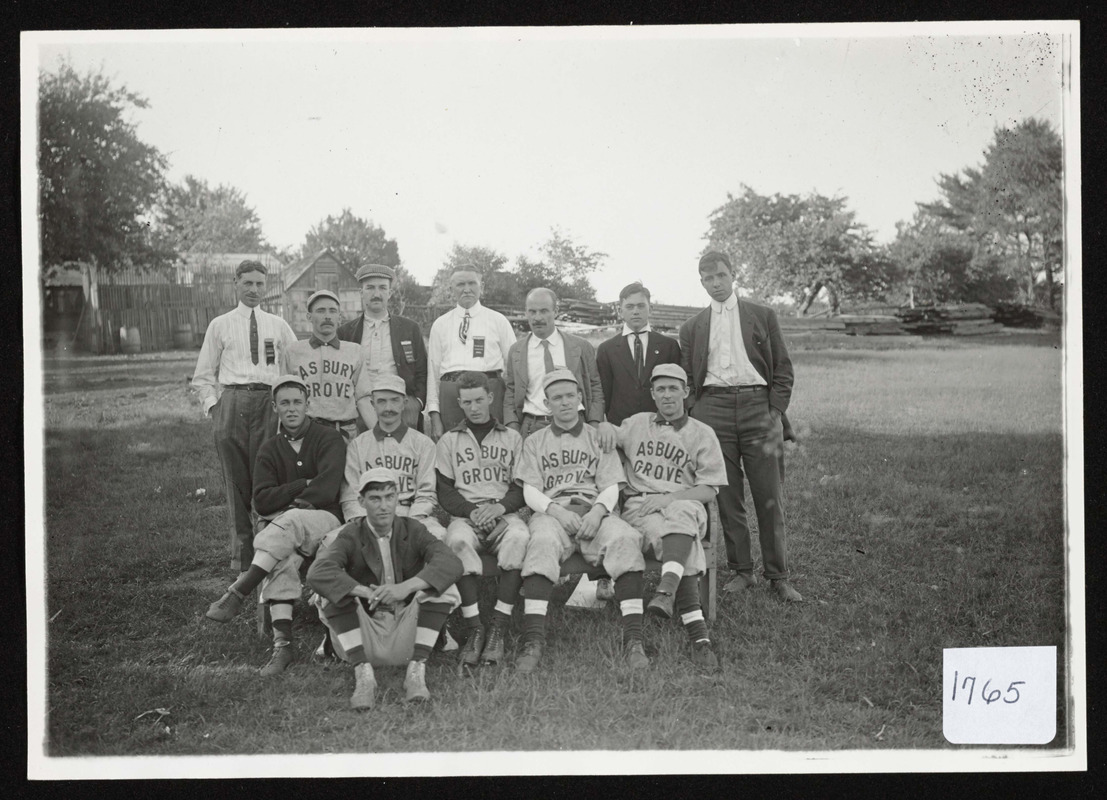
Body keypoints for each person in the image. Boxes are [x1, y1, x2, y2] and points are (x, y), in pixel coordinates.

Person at [679, 250, 802, 602]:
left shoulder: (762, 315)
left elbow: (783, 368)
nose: (715, 283)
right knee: (728, 495)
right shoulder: (692, 327)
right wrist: (695, 408)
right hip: (712, 411)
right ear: (701, 282)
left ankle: (778, 576)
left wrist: (774, 411)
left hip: (758, 408)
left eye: (720, 275)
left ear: (733, 274)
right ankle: (742, 571)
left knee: (769, 496)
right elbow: (688, 375)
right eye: (707, 278)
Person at [205, 376, 346, 676]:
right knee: (281, 557)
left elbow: (327, 489)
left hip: (326, 522)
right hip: (285, 532)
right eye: (285, 403)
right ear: (275, 408)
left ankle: (239, 590)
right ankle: (283, 646)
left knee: (287, 522)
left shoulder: (328, 439)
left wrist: (289, 502)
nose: (292, 409)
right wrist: (301, 484)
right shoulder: (270, 449)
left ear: (308, 404)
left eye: (297, 402)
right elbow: (262, 501)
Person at [514, 369, 649, 674]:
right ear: (547, 404)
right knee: (543, 543)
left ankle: (634, 640)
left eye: (569, 396)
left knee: (625, 539)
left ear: (580, 399)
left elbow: (612, 484)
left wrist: (599, 512)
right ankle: (533, 640)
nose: (564, 403)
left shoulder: (595, 436)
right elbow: (529, 489)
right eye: (556, 398)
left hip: (594, 510)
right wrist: (557, 511)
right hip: (553, 512)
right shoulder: (535, 441)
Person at [307, 468, 463, 709]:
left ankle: (416, 671)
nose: (384, 506)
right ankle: (363, 676)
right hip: (363, 636)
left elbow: (451, 563)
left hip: (408, 635)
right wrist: (365, 592)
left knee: (444, 586)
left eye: (389, 497)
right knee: (329, 592)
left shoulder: (413, 529)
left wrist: (405, 588)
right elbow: (318, 572)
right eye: (375, 499)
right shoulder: (351, 534)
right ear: (361, 502)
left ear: (397, 498)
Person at [608, 364, 727, 670]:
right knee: (686, 543)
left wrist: (670, 498)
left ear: (686, 392)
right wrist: (604, 428)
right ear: (652, 394)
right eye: (660, 389)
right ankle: (699, 638)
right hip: (642, 507)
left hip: (683, 502)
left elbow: (709, 489)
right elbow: (608, 439)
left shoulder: (702, 433)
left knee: (683, 513)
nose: (667, 395)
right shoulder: (636, 423)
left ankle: (666, 590)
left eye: (674, 388)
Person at [192, 259, 297, 571]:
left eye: (260, 284)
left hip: (268, 404)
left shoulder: (279, 326)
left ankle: (269, 555)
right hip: (233, 405)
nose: (254, 290)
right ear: (235, 284)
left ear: (267, 287)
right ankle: (242, 560)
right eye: (248, 283)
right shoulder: (220, 324)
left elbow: (294, 368)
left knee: (269, 481)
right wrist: (215, 408)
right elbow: (202, 375)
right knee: (236, 485)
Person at [434, 371, 529, 669]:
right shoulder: (449, 440)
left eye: (479, 400)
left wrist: (500, 508)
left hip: (503, 512)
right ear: (459, 403)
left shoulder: (512, 437)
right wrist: (470, 511)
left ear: (490, 398)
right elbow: (444, 490)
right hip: (467, 513)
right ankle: (475, 626)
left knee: (519, 538)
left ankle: (498, 626)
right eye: (467, 402)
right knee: (457, 541)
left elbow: (522, 487)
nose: (474, 407)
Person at [340, 374, 446, 540]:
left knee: (438, 536)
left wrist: (412, 522)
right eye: (381, 401)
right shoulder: (358, 445)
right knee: (332, 542)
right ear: (372, 404)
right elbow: (351, 495)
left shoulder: (423, 444)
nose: (388, 407)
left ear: (404, 404)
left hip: (409, 512)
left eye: (394, 400)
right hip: (369, 516)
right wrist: (363, 524)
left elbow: (427, 493)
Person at [502, 287, 608, 441]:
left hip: (575, 426)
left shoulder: (580, 346)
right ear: (526, 313)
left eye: (544, 311)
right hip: (534, 427)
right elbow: (511, 391)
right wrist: (513, 427)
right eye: (532, 311)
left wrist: (594, 423)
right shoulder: (517, 351)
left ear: (555, 311)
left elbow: (595, 387)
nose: (537, 317)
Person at [426, 267, 518, 440]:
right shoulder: (440, 324)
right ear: (451, 288)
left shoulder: (498, 320)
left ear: (481, 286)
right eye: (460, 284)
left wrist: (511, 413)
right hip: (451, 396)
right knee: (454, 451)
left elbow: (514, 368)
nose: (466, 289)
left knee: (492, 450)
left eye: (472, 283)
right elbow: (433, 372)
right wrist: (434, 415)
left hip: (489, 393)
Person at [337, 263, 427, 432]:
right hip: (360, 409)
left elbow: (422, 369)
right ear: (361, 293)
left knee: (403, 456)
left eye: (382, 288)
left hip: (401, 406)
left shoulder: (410, 329)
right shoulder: (345, 332)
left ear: (390, 293)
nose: (376, 294)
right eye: (370, 288)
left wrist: (416, 404)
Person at [596, 282, 682, 426]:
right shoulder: (607, 349)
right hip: (621, 425)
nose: (635, 311)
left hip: (660, 424)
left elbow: (675, 387)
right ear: (620, 311)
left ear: (651, 309)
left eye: (641, 306)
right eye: (629, 307)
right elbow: (606, 392)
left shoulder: (669, 346)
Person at [286, 289, 363, 442]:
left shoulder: (354, 351)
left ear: (339, 317)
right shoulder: (293, 351)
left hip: (344, 432)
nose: (327, 316)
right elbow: (284, 397)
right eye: (320, 311)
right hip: (307, 432)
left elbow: (363, 397)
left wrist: (377, 432)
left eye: (332, 311)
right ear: (309, 316)